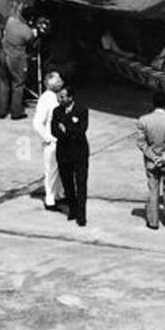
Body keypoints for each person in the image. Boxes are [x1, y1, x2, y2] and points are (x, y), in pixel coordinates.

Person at [135, 87, 165, 230]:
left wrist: (153, 156)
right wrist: (164, 157)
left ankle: (153, 221)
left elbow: (141, 142)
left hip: (151, 161)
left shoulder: (144, 120)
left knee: (153, 190)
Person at [51, 87, 89, 226]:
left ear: (71, 98)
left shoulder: (81, 110)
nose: (60, 99)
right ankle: (73, 209)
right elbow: (54, 130)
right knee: (67, 183)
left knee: (81, 183)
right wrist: (68, 130)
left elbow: (81, 131)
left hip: (79, 153)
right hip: (64, 153)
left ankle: (81, 214)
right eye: (59, 96)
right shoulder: (57, 111)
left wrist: (66, 129)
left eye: (63, 97)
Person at [0, 6, 35, 119]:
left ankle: (1, 111)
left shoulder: (11, 21)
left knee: (3, 82)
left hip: (4, 54)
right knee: (18, 84)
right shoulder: (27, 31)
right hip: (17, 59)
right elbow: (32, 45)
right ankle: (16, 112)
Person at [32, 71, 65, 210]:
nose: (61, 82)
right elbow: (37, 122)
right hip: (52, 141)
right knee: (51, 171)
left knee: (61, 169)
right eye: (58, 81)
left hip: (61, 140)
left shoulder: (58, 96)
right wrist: (47, 138)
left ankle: (60, 195)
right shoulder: (46, 99)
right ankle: (50, 199)